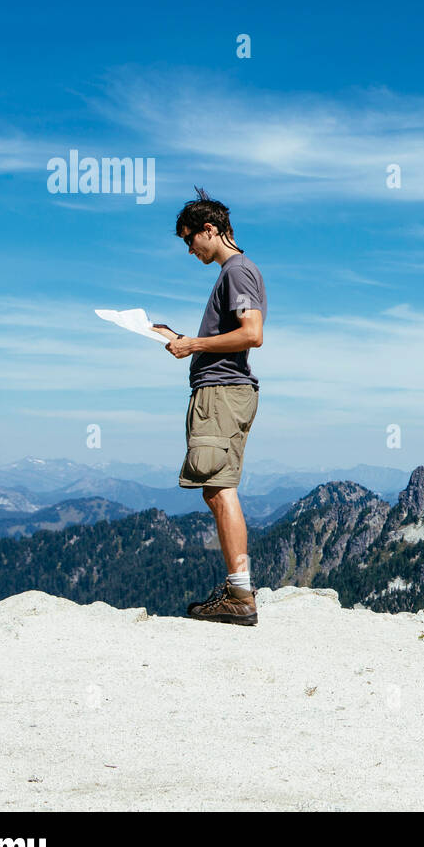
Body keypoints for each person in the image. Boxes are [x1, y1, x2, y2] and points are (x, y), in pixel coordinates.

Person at [156, 188, 266, 626]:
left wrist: (193, 345)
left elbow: (252, 333)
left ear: (210, 229)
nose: (189, 250)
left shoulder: (237, 271)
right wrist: (181, 338)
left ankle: (240, 594)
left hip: (221, 393)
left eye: (190, 240)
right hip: (221, 390)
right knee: (215, 485)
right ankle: (238, 590)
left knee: (219, 487)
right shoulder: (236, 273)